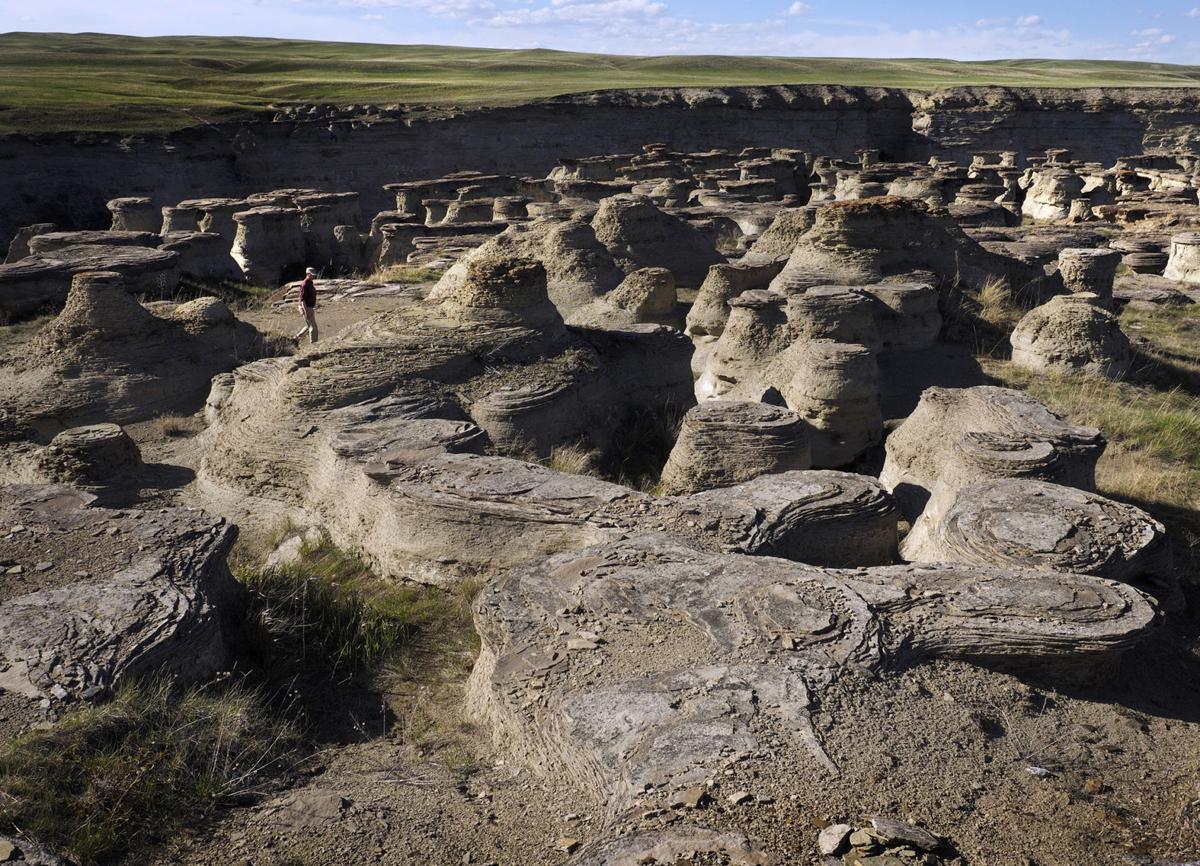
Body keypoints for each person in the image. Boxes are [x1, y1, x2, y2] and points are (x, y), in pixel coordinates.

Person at [293, 267, 319, 344]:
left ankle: (295, 340)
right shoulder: (305, 284)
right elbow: (302, 300)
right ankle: (314, 345)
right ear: (307, 274)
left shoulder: (310, 283)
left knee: (308, 326)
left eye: (314, 275)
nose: (313, 276)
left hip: (309, 307)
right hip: (306, 307)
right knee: (313, 328)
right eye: (312, 275)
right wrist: (306, 311)